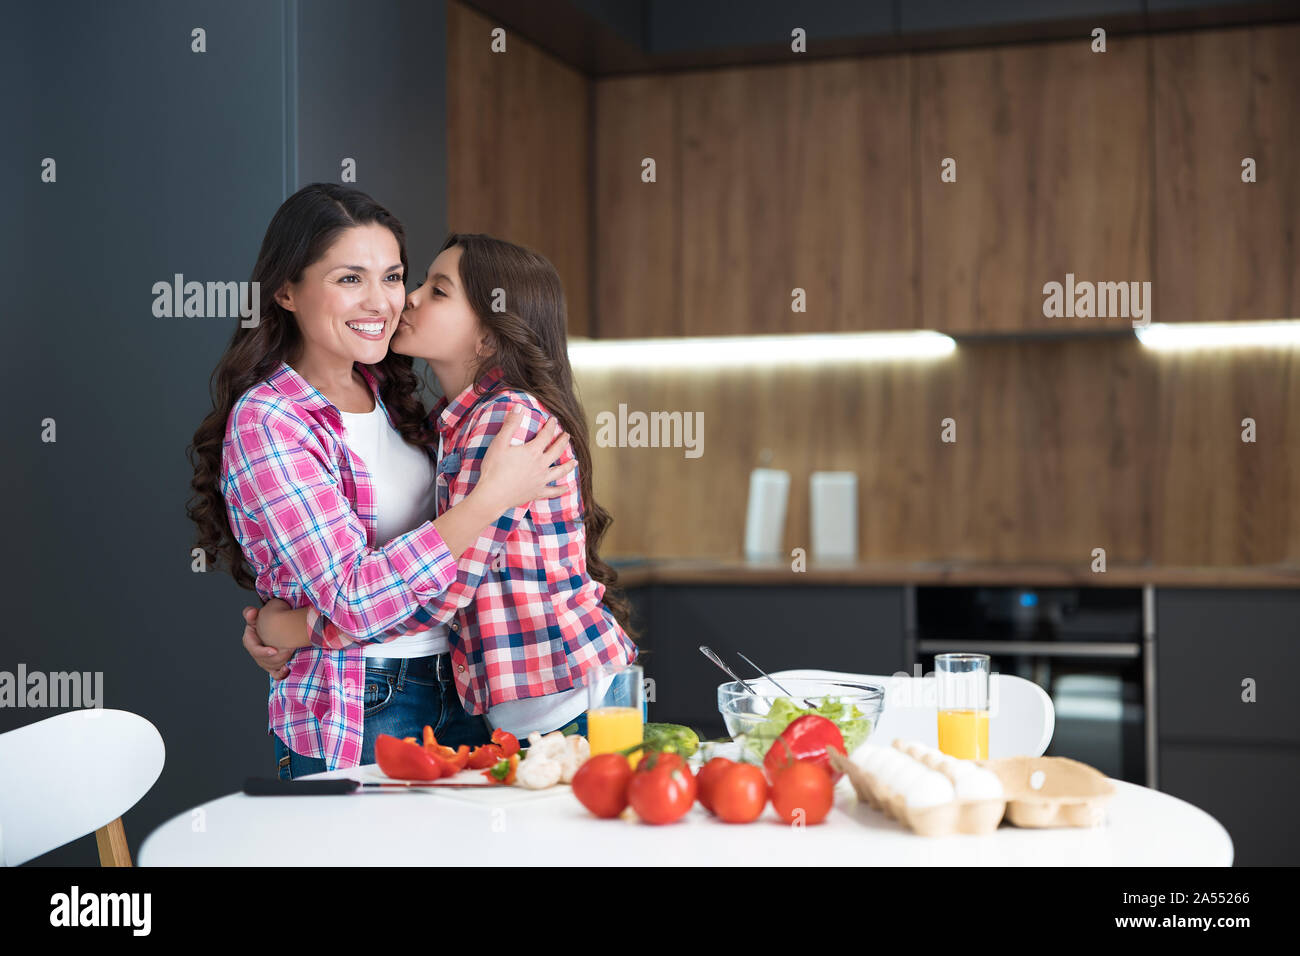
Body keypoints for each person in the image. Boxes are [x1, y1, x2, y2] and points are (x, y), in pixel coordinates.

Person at [187, 185, 575, 777]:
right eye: (350, 279)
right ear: (287, 290)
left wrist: (285, 625)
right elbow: (352, 596)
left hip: (469, 687)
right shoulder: (270, 422)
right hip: (362, 703)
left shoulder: (396, 399)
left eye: (392, 277)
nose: (382, 302)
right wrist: (492, 498)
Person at [250, 232, 640, 755]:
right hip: (528, 703)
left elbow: (442, 588)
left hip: (566, 703)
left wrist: (295, 628)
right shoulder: (452, 424)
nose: (408, 297)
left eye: (439, 291)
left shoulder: (504, 424)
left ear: (486, 338)